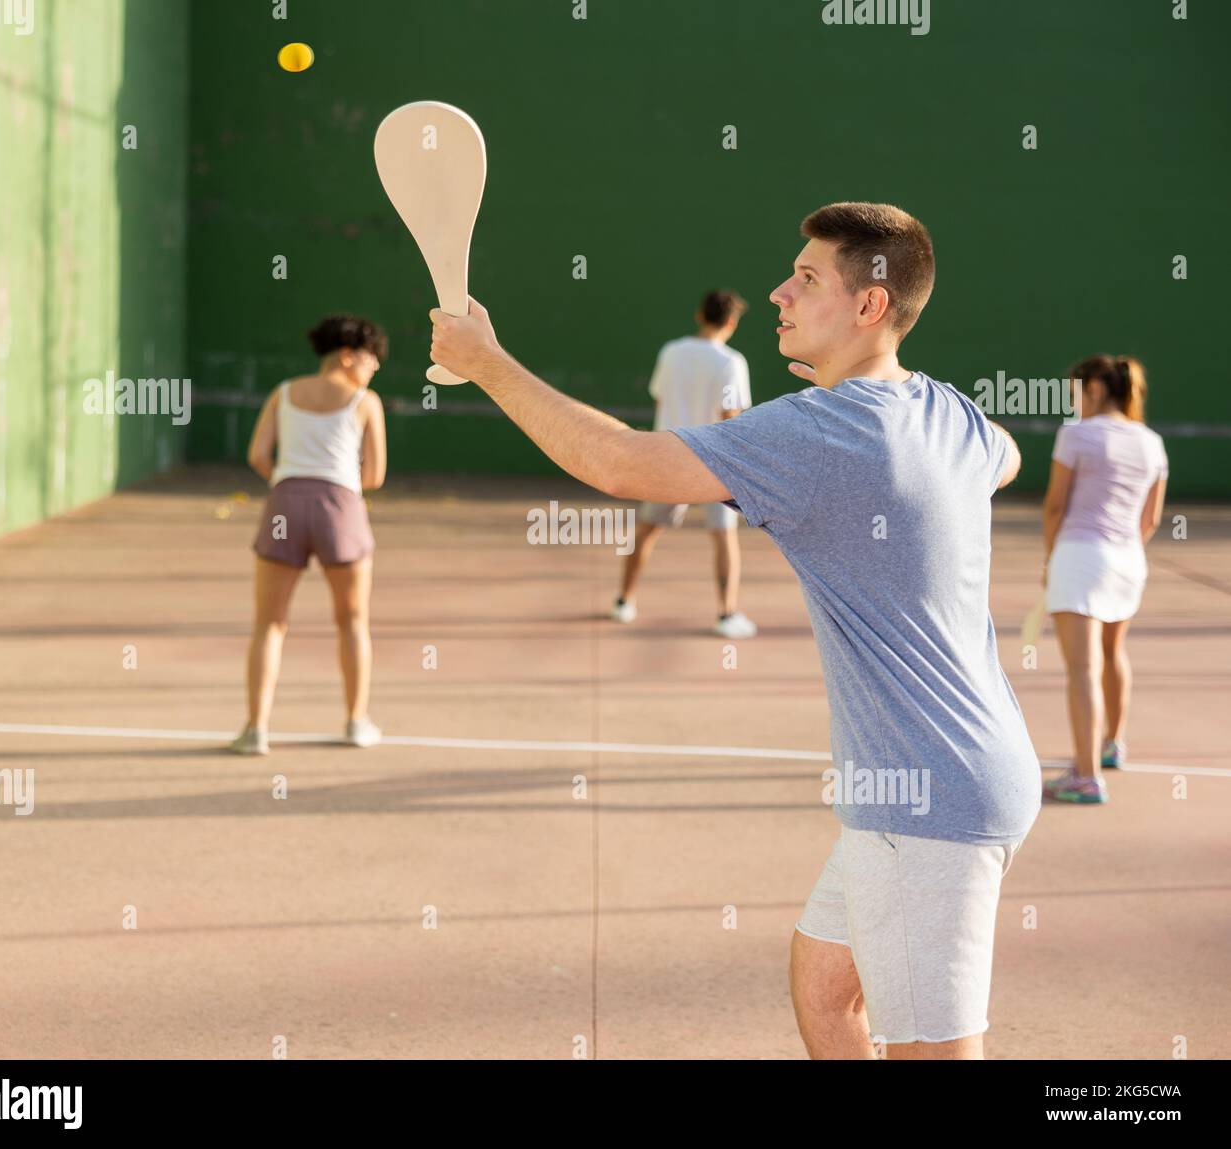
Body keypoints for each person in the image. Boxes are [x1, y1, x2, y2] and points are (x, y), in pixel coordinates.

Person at [428, 201, 1041, 1060]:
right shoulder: (946, 413)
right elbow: (1006, 453)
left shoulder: (824, 429)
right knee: (827, 988)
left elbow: (617, 461)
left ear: (869, 306)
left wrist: (487, 364)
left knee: (934, 1052)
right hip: (951, 777)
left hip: (930, 800)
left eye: (807, 278)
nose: (779, 291)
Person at [229, 315, 388, 756]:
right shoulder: (366, 400)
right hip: (341, 507)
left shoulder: (282, 392)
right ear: (347, 355)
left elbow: (258, 455)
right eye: (372, 358)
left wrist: (289, 481)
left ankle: (255, 730)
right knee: (353, 621)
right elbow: (374, 475)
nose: (375, 367)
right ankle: (357, 723)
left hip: (284, 502)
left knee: (269, 623)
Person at [1040, 356, 1168, 804]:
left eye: (1076, 390)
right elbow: (1150, 519)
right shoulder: (1152, 442)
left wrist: (1052, 559)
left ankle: (1086, 776)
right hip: (1128, 562)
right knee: (1113, 653)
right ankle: (1113, 744)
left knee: (1083, 669)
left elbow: (1055, 506)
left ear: (1094, 388)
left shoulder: (1075, 434)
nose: (1073, 399)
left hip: (1080, 558)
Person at [611, 289, 758, 638]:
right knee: (724, 536)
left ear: (699, 315)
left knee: (648, 530)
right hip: (714, 462)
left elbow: (661, 396)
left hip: (668, 456)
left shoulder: (671, 352)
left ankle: (623, 602)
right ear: (732, 323)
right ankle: (727, 615)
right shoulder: (731, 363)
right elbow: (731, 417)